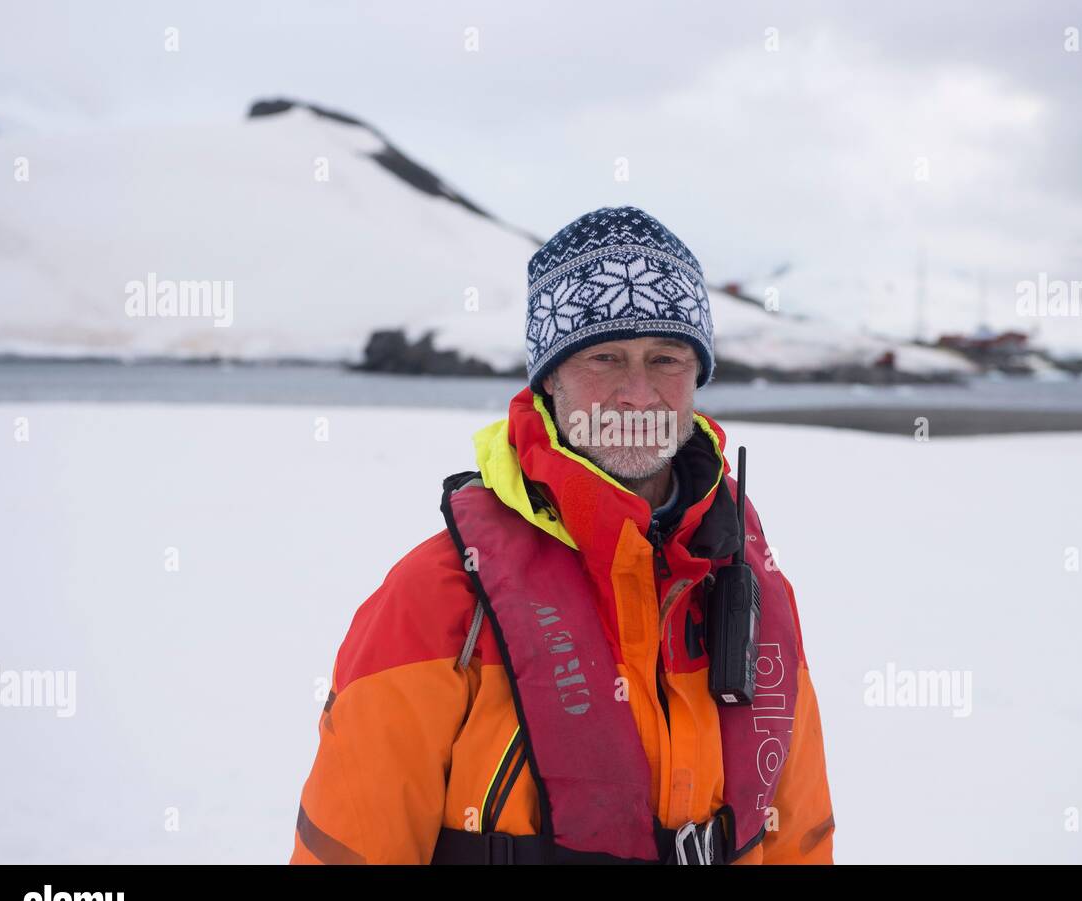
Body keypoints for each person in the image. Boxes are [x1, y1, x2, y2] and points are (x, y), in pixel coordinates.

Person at [290, 205, 834, 864]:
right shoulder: (437, 600)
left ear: (697, 378)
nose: (637, 395)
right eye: (605, 357)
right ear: (550, 377)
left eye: (666, 357)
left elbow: (800, 839)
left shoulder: (752, 594)